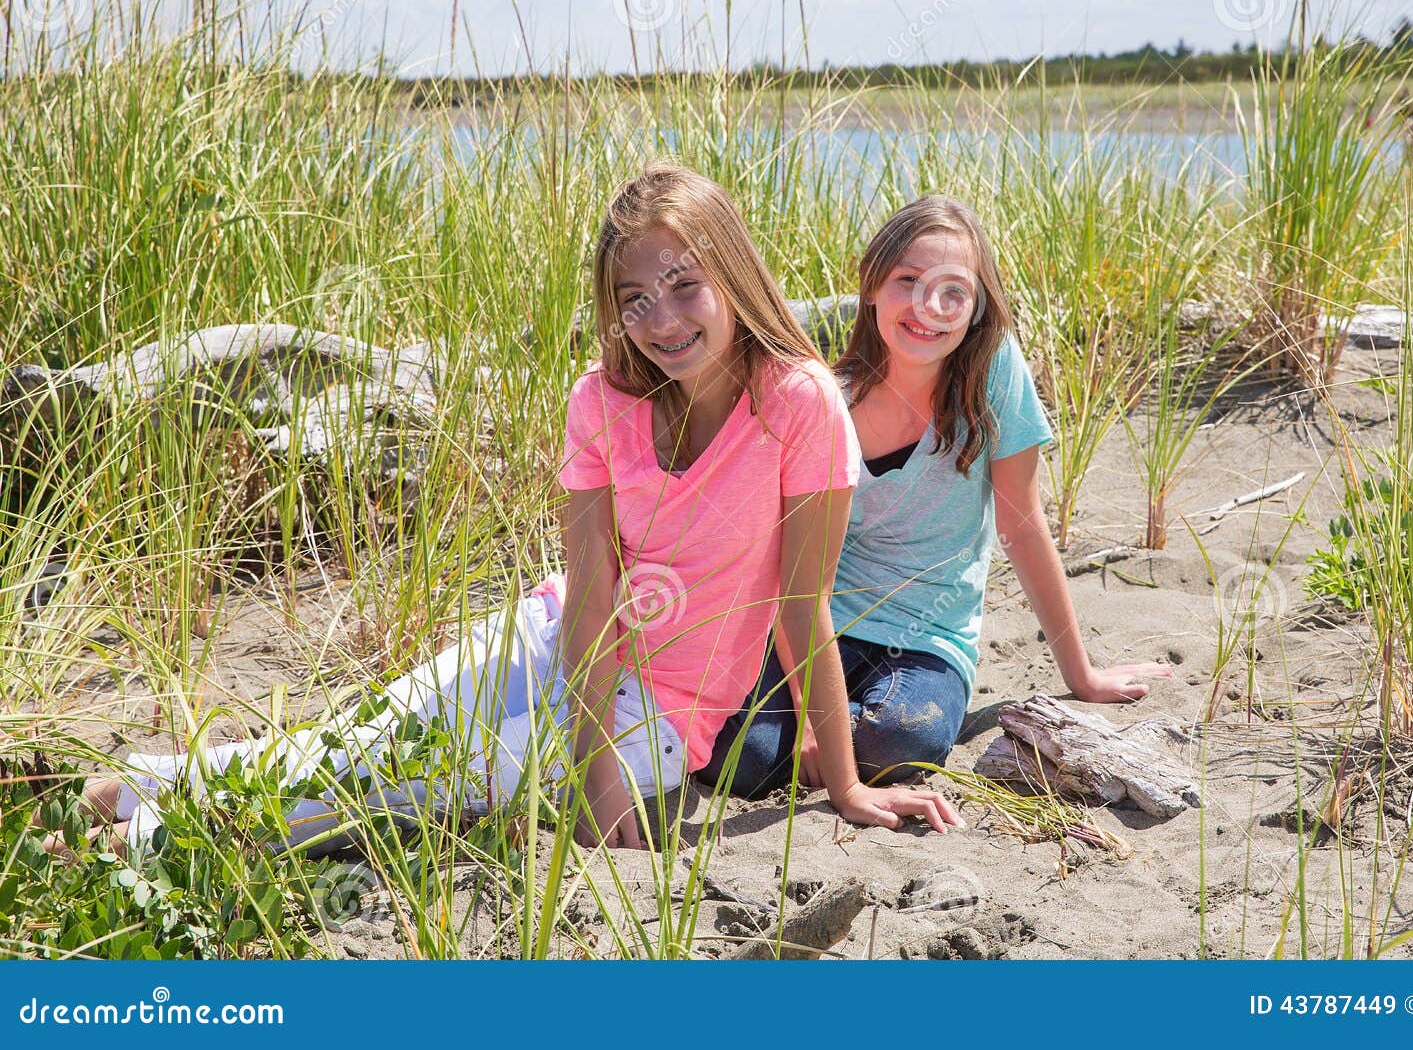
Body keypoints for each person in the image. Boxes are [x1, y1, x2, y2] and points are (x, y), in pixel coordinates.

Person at [39, 163, 959, 858]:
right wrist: (592, 764)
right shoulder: (602, 399)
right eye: (635, 298)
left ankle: (153, 835)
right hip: (556, 633)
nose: (663, 317)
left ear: (733, 270)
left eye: (685, 282)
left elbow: (804, 612)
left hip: (666, 712)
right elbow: (592, 599)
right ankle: (132, 786)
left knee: (424, 781)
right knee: (364, 741)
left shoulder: (798, 401)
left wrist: (843, 784)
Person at [703, 196, 1173, 798]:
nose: (929, 307)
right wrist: (808, 715)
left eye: (955, 291)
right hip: (807, 614)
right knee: (741, 758)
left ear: (977, 310)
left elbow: (1023, 527)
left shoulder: (993, 371)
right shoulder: (815, 364)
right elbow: (708, 319)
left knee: (900, 743)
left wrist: (1081, 676)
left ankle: (842, 739)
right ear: (871, 284)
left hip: (923, 633)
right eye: (908, 280)